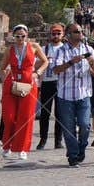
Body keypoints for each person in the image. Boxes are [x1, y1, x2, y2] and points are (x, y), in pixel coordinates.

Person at [49, 23, 94, 168]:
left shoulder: (88, 49)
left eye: (81, 31)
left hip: (84, 94)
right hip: (65, 95)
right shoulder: (61, 50)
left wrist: (92, 62)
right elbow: (55, 70)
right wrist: (71, 62)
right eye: (76, 31)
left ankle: (81, 148)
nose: (80, 33)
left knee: (85, 125)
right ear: (69, 34)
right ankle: (72, 156)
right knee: (68, 127)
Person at [0, 24, 44, 162]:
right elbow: (2, 68)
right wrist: (5, 79)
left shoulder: (34, 46)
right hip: (12, 83)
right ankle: (7, 145)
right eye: (17, 36)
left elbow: (45, 61)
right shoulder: (10, 49)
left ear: (27, 35)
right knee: (9, 116)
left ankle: (22, 149)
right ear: (14, 36)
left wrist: (37, 73)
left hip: (28, 83)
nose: (20, 38)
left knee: (25, 117)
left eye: (23, 36)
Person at [36, 23, 66, 151]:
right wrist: (44, 60)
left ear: (62, 34)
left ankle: (58, 141)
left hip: (61, 83)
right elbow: (35, 65)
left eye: (58, 33)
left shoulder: (65, 48)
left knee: (60, 113)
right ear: (50, 35)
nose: (56, 36)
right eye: (54, 33)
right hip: (47, 82)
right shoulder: (44, 48)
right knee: (45, 113)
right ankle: (43, 139)